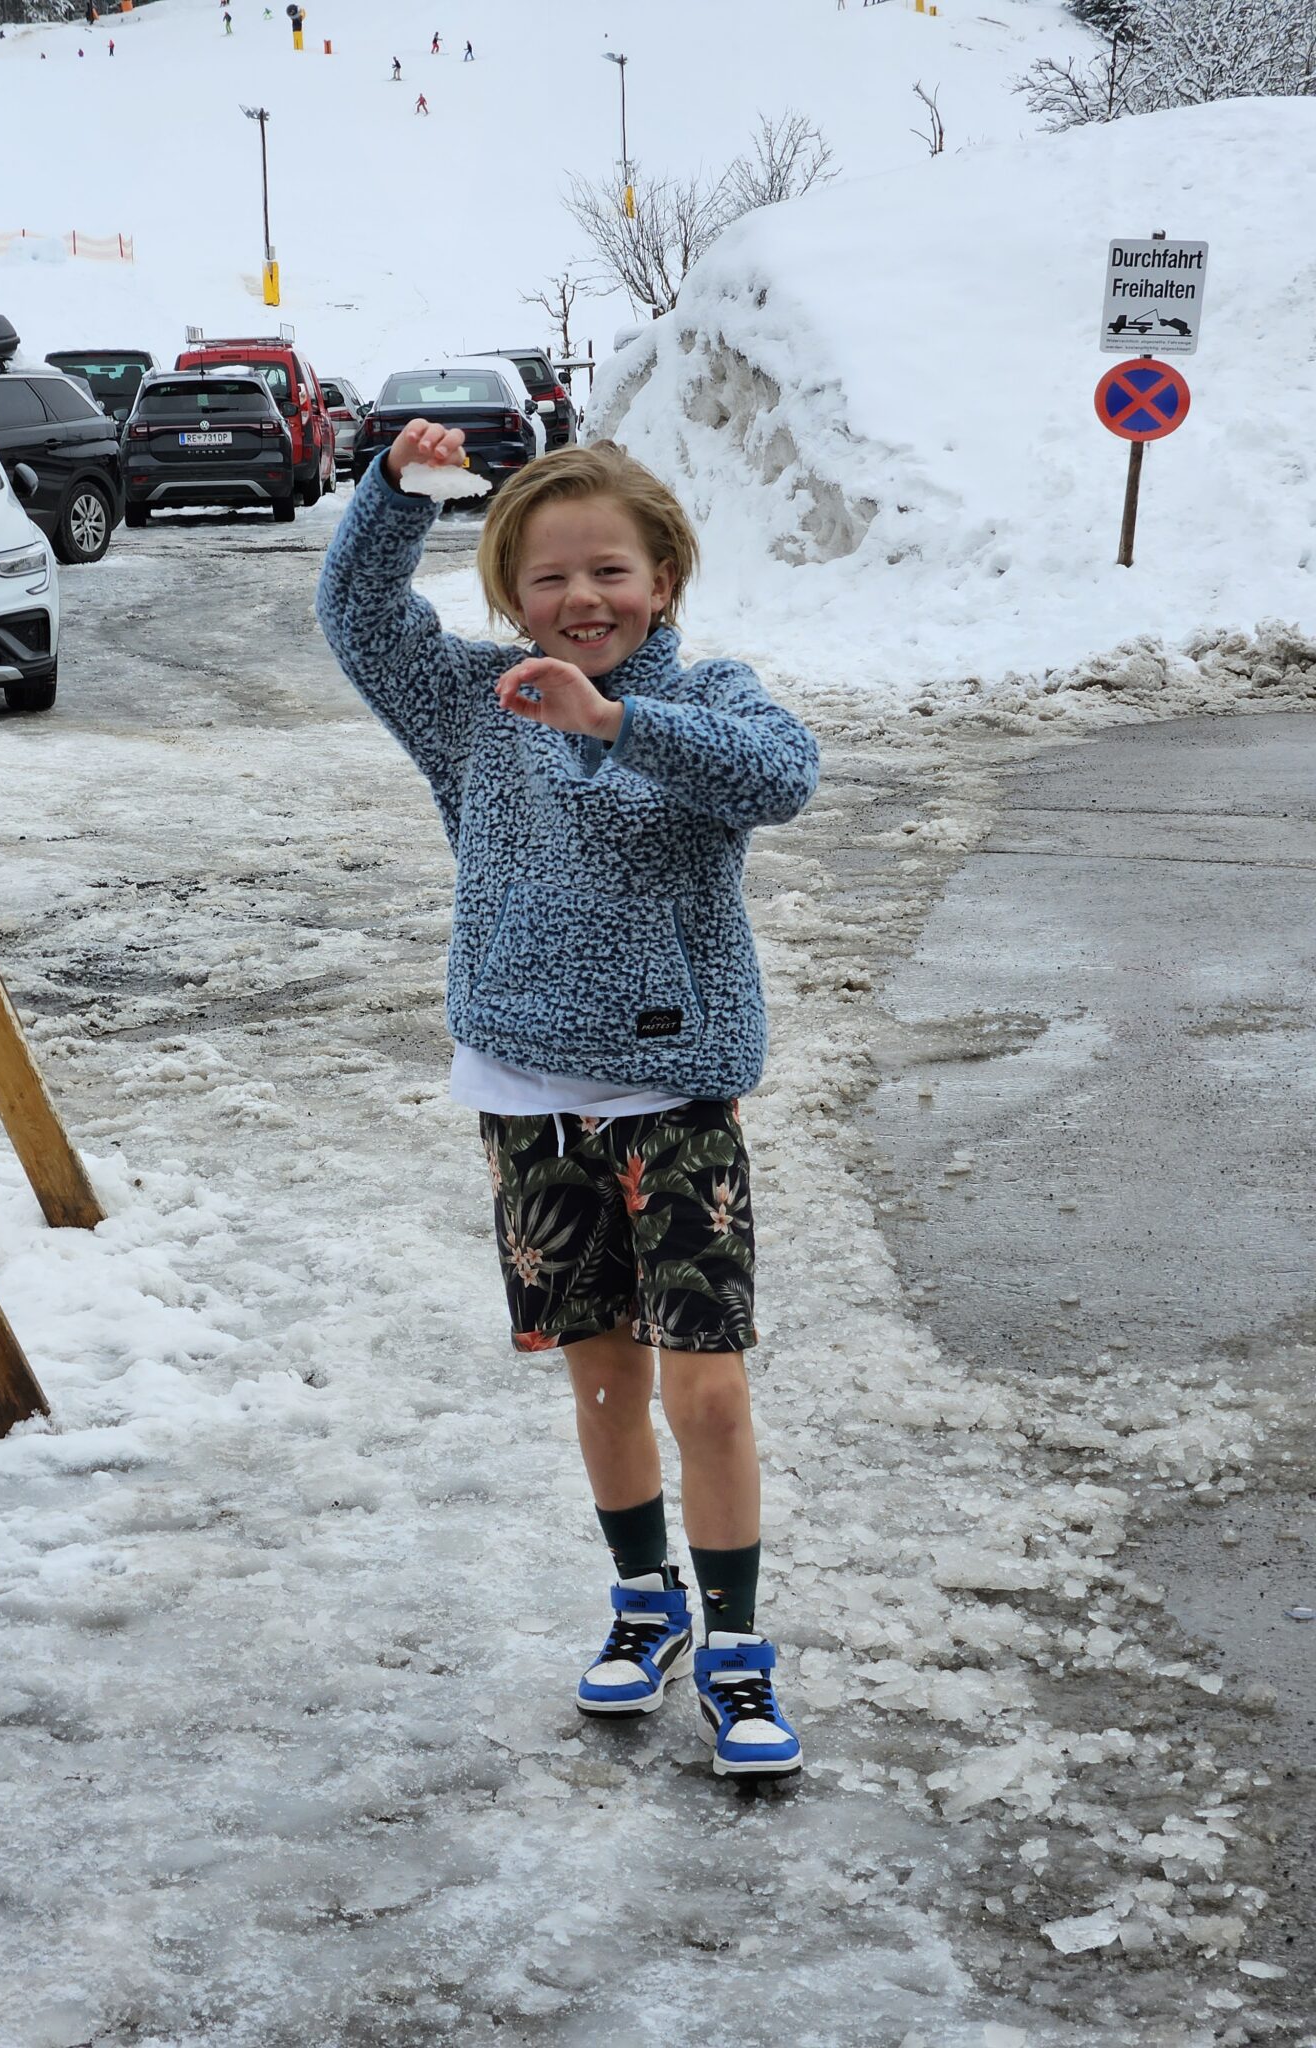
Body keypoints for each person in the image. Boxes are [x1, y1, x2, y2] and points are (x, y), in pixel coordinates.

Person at [315, 428, 819, 1780]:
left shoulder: (711, 699)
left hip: (676, 1097)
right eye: (549, 579)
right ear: (510, 591)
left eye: (611, 569)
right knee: (604, 1381)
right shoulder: (475, 708)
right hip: (528, 1099)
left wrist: (617, 723)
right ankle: (642, 1605)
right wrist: (394, 494)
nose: (581, 599)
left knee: (705, 1394)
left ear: (662, 576)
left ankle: (736, 1648)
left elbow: (786, 776)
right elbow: (358, 618)